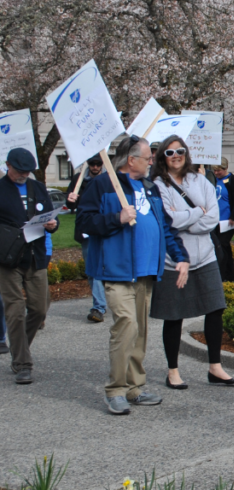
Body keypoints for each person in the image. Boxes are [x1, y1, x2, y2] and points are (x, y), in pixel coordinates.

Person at [77, 136, 190, 415]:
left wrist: (181, 258)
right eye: (147, 157)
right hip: (116, 272)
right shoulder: (103, 185)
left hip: (145, 273)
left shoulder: (149, 187)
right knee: (125, 326)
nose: (152, 160)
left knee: (139, 330)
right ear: (131, 160)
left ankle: (134, 387)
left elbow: (165, 227)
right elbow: (83, 224)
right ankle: (115, 390)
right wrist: (116, 219)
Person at [150, 136, 234, 390]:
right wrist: (196, 213)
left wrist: (188, 218)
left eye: (180, 151)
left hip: (205, 257)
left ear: (186, 154)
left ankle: (215, 367)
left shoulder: (200, 180)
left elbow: (212, 218)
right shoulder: (158, 185)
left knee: (215, 309)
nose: (175, 155)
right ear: (162, 157)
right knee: (174, 316)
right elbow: (168, 221)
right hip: (175, 261)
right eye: (169, 152)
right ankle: (173, 370)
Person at [0, 148, 59, 385]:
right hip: (7, 259)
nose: (24, 175)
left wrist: (52, 224)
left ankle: (18, 346)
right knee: (14, 310)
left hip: (35, 255)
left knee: (39, 309)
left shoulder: (38, 188)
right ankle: (23, 363)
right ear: (8, 165)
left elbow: (49, 218)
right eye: (19, 171)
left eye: (27, 171)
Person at [66, 155, 108, 323]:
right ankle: (99, 307)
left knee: (109, 267)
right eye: (92, 163)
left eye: (98, 164)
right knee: (93, 269)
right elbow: (71, 204)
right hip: (87, 231)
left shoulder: (109, 179)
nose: (95, 167)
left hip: (106, 228)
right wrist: (70, 200)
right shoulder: (79, 180)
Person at [212, 158, 234, 283]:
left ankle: (227, 275)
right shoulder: (214, 180)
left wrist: (233, 217)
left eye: (218, 170)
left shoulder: (233, 181)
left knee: (223, 245)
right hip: (216, 219)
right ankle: (223, 274)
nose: (216, 173)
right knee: (220, 247)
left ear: (225, 168)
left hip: (228, 220)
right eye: (215, 170)